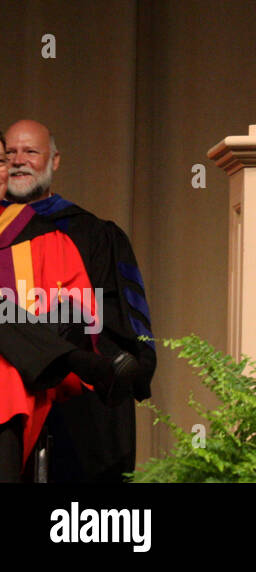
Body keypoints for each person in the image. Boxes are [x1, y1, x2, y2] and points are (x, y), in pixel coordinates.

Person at [4, 120, 154, 482]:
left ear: (54, 161)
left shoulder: (91, 233)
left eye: (31, 151)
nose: (19, 161)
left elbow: (110, 312)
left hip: (72, 395)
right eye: (10, 152)